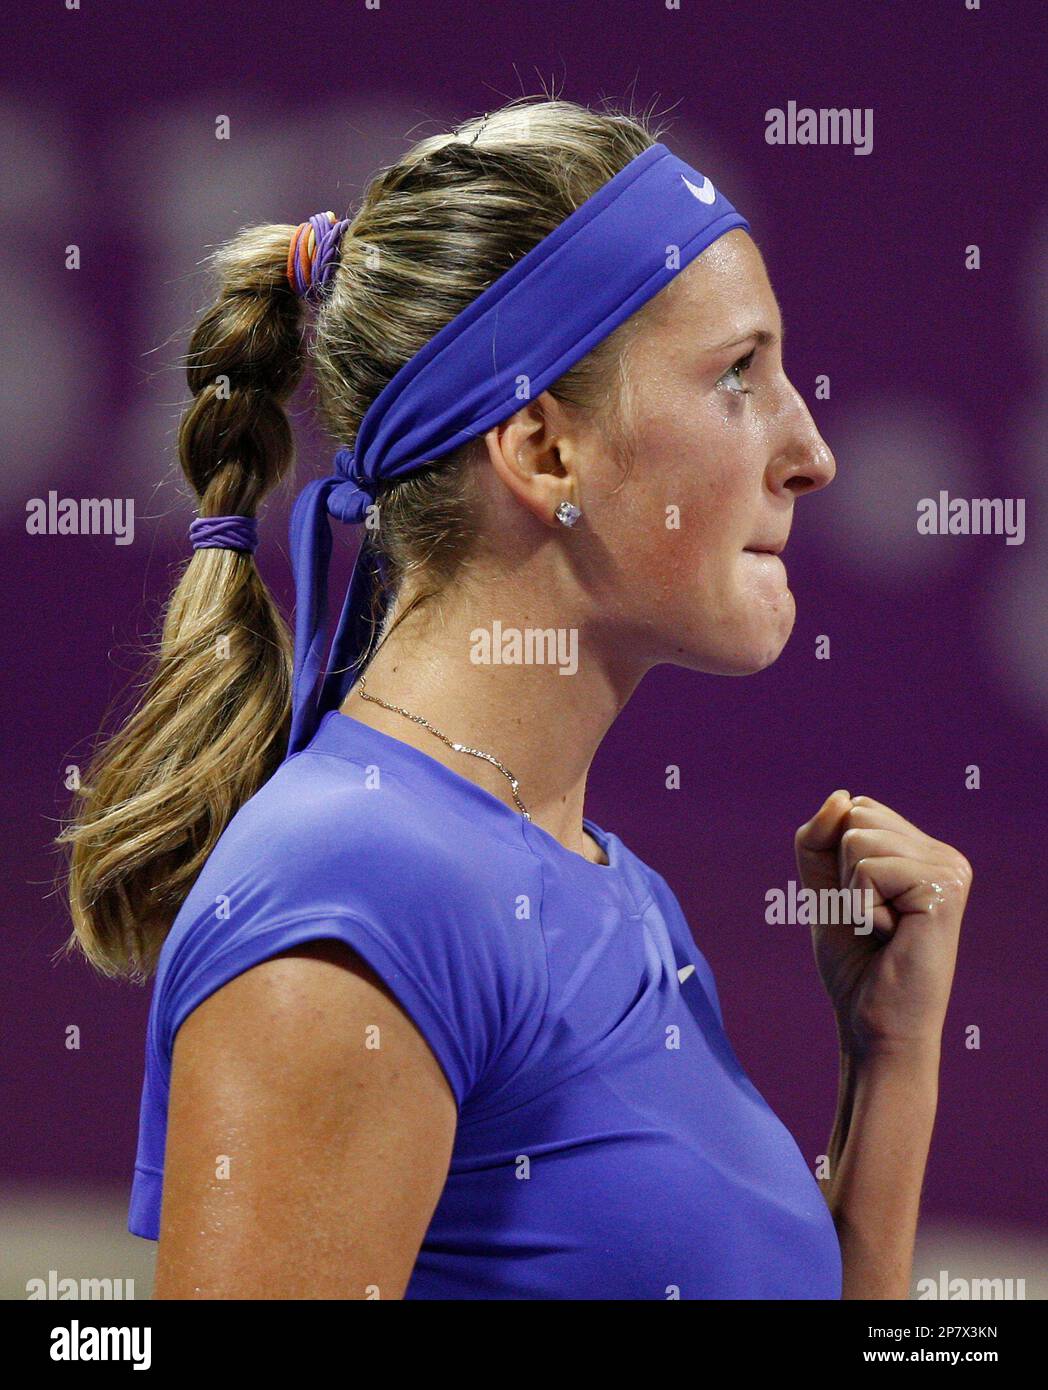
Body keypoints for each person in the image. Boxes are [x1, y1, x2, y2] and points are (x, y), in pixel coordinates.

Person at [58, 98, 972, 1300]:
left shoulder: (608, 886)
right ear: (544, 451)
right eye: (739, 375)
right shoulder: (358, 884)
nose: (809, 450)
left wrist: (891, 1072)